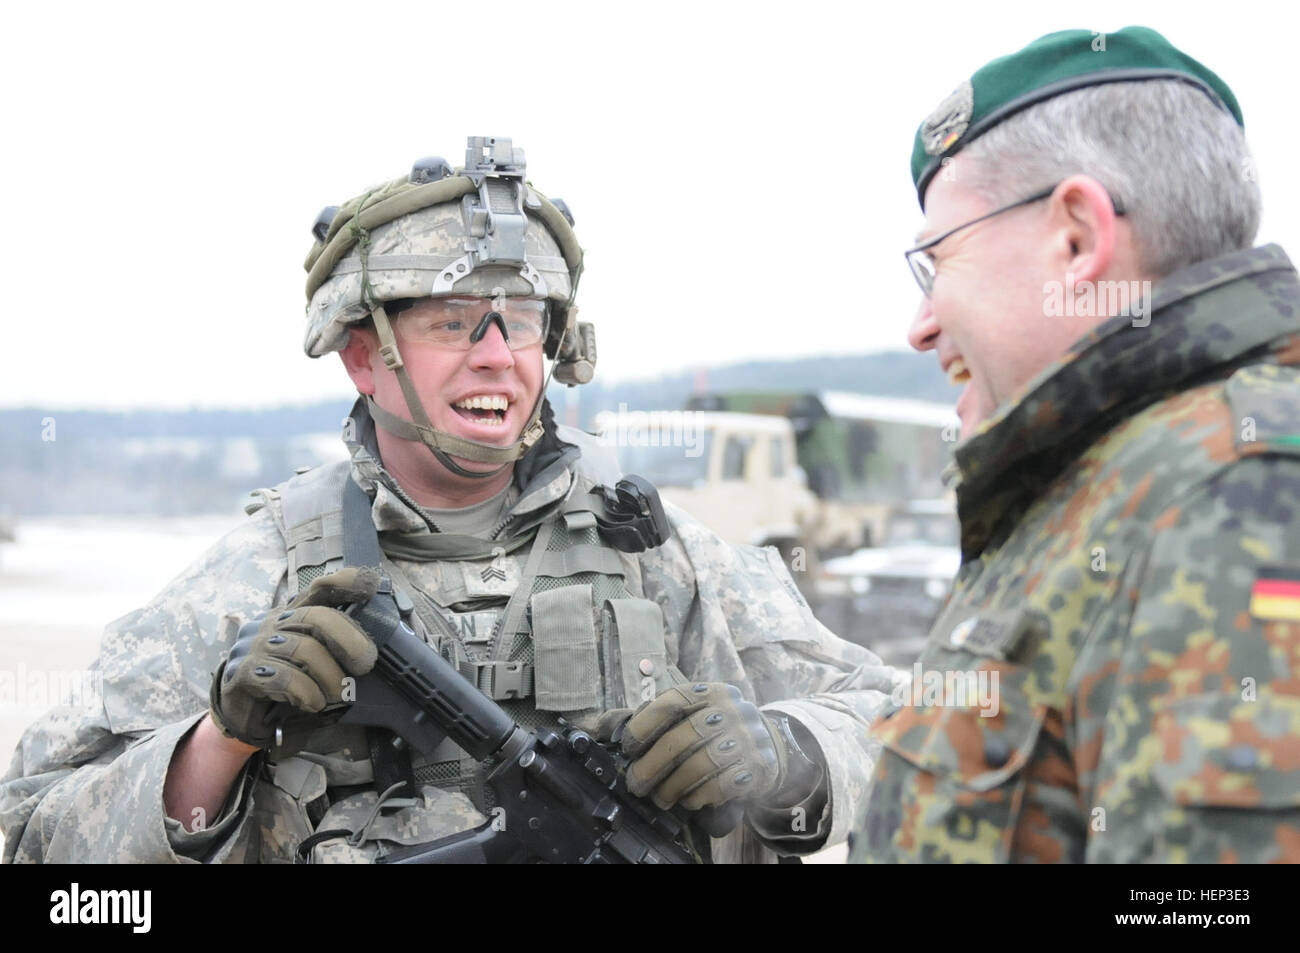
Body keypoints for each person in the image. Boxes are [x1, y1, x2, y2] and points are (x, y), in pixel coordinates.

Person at [1, 136, 897, 864]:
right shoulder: (264, 571)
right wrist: (217, 744)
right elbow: (37, 835)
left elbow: (902, 728)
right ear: (362, 354)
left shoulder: (659, 553)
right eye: (451, 320)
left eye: (525, 320)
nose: (498, 354)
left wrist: (788, 754)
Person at [849, 27, 1300, 863]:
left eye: (935, 262)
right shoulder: (1116, 484)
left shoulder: (1230, 498)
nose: (922, 325)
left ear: (1077, 237)